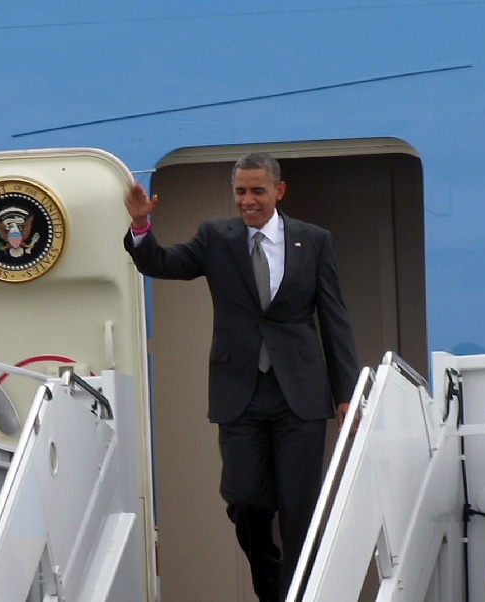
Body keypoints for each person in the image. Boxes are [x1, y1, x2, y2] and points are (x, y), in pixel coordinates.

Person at [123, 152, 360, 601]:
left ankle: (296, 594)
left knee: (298, 511)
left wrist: (345, 392)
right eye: (240, 191)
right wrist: (140, 228)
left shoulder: (313, 241)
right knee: (246, 501)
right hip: (241, 394)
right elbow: (162, 264)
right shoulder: (217, 237)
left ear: (279, 191)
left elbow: (335, 319)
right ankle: (273, 587)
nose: (247, 201)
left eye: (257, 191)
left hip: (301, 395)